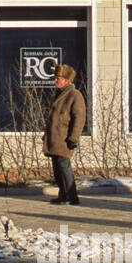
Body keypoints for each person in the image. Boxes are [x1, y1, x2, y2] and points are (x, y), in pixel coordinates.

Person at [44, 64, 87, 206]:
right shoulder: (58, 94)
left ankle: (72, 196)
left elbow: (79, 118)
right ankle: (63, 195)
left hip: (65, 139)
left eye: (59, 78)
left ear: (66, 80)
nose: (55, 80)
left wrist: (74, 137)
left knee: (64, 166)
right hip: (54, 139)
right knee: (57, 168)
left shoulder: (75, 95)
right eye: (55, 78)